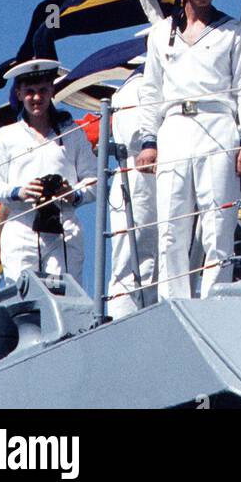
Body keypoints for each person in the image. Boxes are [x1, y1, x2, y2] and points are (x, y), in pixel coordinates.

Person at [136, 0, 241, 299]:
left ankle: (214, 298)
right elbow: (151, 92)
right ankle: (172, 299)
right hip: (174, 126)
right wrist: (148, 143)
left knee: (218, 222)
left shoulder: (233, 32)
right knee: (172, 224)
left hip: (218, 126)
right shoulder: (161, 34)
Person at [0, 58, 97, 285]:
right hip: (22, 226)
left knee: (66, 298)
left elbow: (95, 181)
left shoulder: (72, 134)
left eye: (43, 90)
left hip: (64, 226)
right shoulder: (6, 136)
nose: (37, 98)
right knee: (23, 301)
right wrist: (19, 191)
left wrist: (73, 193)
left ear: (52, 90)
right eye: (30, 91)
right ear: (19, 94)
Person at [107, 56, 159, 319]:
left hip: (153, 173)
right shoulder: (138, 85)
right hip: (139, 174)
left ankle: (150, 312)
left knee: (157, 253)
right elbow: (137, 136)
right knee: (133, 254)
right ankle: (124, 317)